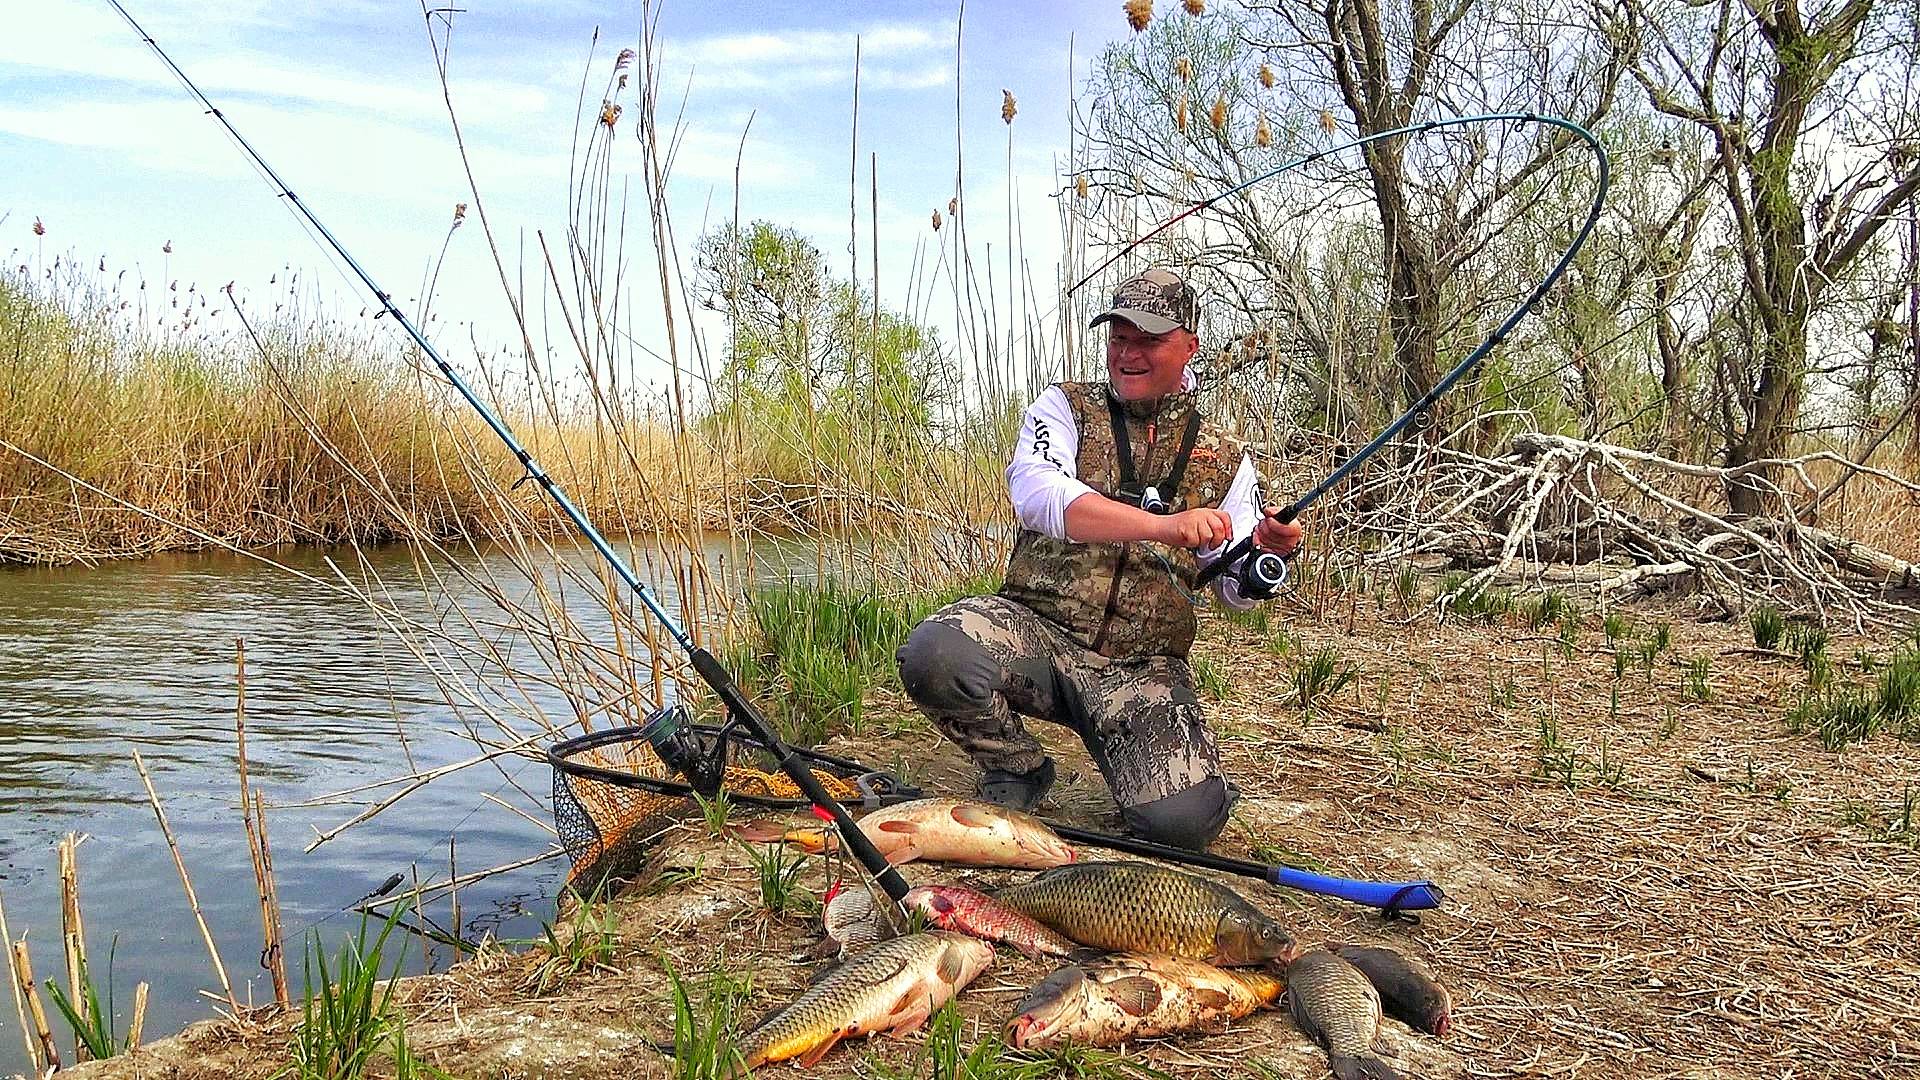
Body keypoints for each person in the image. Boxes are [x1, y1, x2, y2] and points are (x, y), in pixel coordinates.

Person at [895, 268, 1303, 851]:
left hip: (1142, 667)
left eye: (1149, 340)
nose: (1128, 354)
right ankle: (1016, 767)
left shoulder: (1225, 457)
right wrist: (1162, 527)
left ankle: (1165, 766)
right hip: (1037, 633)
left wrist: (1268, 554)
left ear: (1189, 346)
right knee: (936, 651)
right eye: (1119, 337)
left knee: (1182, 827)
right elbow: (1039, 495)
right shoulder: (1064, 408)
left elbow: (1232, 589)